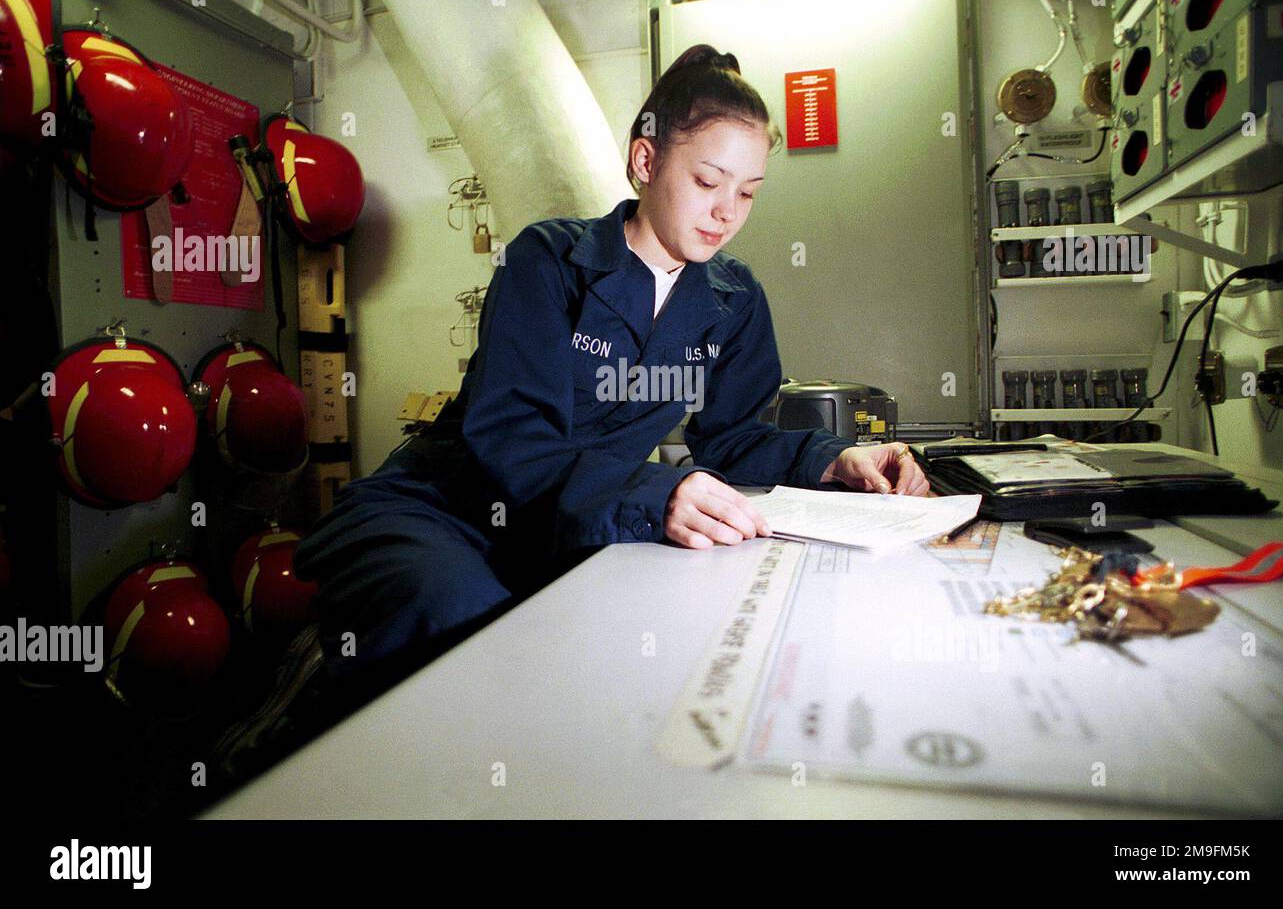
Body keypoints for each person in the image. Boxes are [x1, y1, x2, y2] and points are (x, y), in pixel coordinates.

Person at [211, 44, 928, 779]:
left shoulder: (733, 301)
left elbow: (735, 438)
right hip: (449, 507)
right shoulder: (548, 261)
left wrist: (833, 459)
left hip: (572, 516)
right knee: (462, 622)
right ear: (645, 162)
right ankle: (280, 737)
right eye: (708, 180)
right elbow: (512, 438)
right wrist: (658, 492)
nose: (726, 212)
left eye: (748, 192)